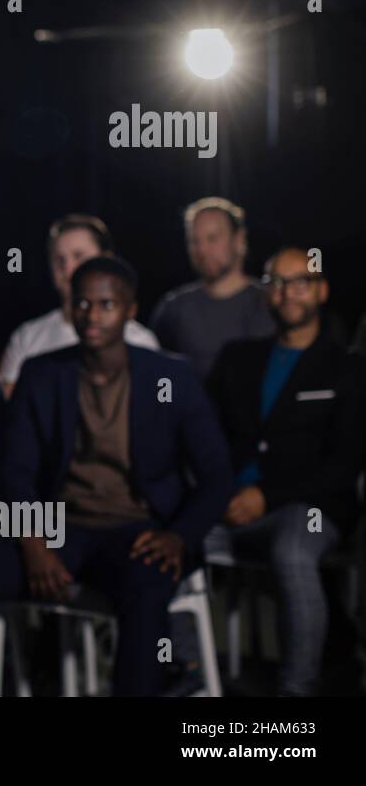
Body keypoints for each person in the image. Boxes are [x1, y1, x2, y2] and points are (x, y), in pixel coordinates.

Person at [0, 256, 231, 696]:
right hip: (57, 528)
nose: (92, 316)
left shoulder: (171, 376)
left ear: (130, 310)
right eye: (83, 304)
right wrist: (33, 542)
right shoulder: (42, 373)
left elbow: (217, 475)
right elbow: (15, 471)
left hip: (140, 532)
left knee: (147, 598)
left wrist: (179, 537)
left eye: (107, 304)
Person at [206, 246, 365, 696]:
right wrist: (216, 495)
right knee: (166, 540)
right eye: (278, 282)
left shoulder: (348, 369)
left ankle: (297, 690)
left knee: (294, 552)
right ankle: (191, 670)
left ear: (321, 290)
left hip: (308, 510)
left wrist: (265, 496)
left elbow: (343, 464)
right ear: (266, 294)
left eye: (300, 281)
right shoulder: (237, 359)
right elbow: (205, 437)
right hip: (228, 508)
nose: (288, 292)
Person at [0, 214, 159, 398]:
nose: (68, 269)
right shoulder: (26, 337)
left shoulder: (141, 342)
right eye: (59, 259)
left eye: (79, 256)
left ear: (105, 259)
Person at [150, 197, 275, 378]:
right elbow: (157, 373)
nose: (202, 249)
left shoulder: (269, 302)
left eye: (212, 238)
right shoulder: (173, 309)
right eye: (194, 241)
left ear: (239, 239)